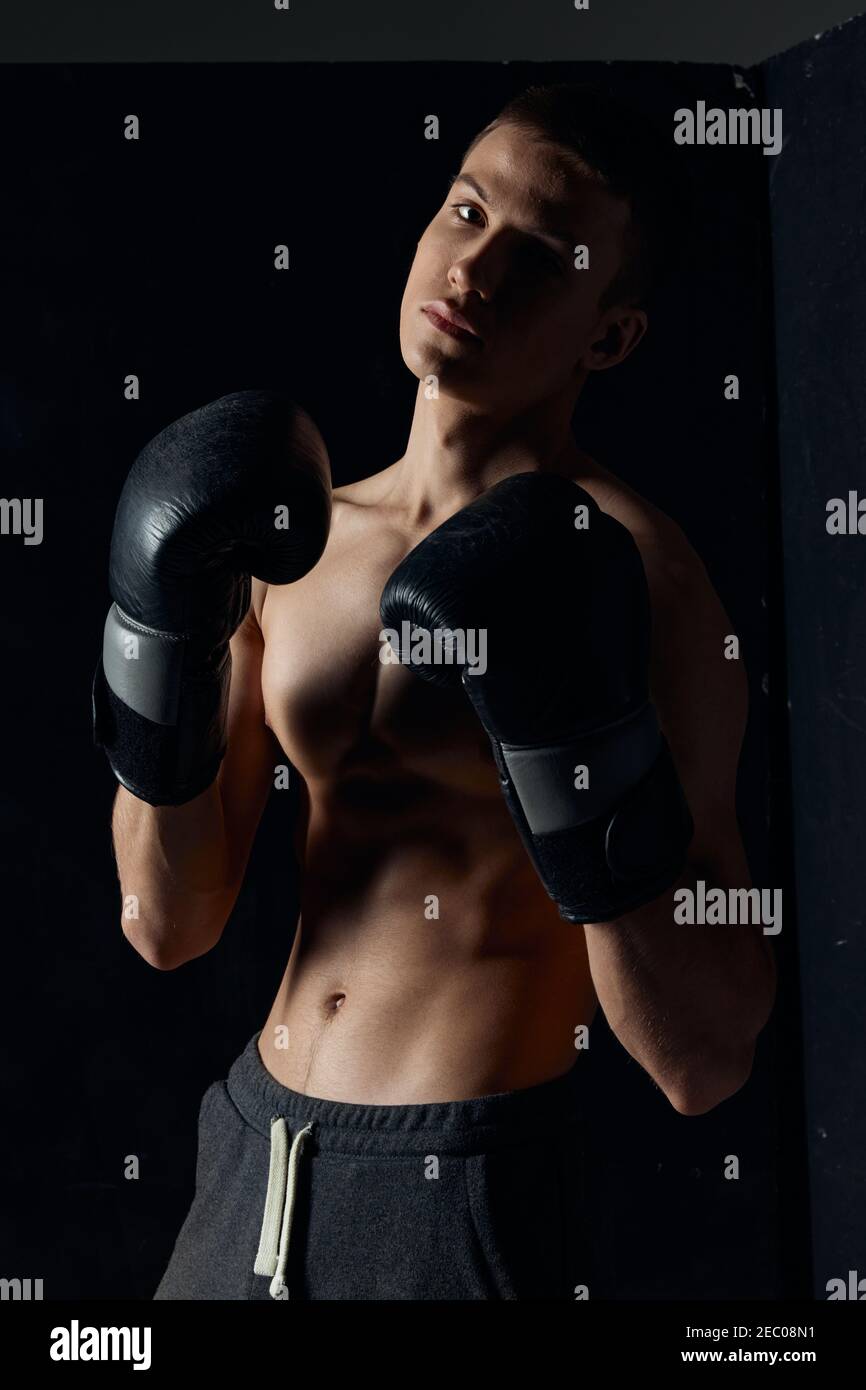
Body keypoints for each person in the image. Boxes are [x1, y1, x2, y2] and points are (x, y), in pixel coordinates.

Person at [95, 83, 776, 1301]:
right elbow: (166, 921)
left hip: (456, 1187)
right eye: (464, 211)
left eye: (537, 257)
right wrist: (158, 629)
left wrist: (581, 753)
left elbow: (705, 1055)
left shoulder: (637, 577)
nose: (474, 266)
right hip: (253, 1150)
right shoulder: (284, 539)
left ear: (606, 337)